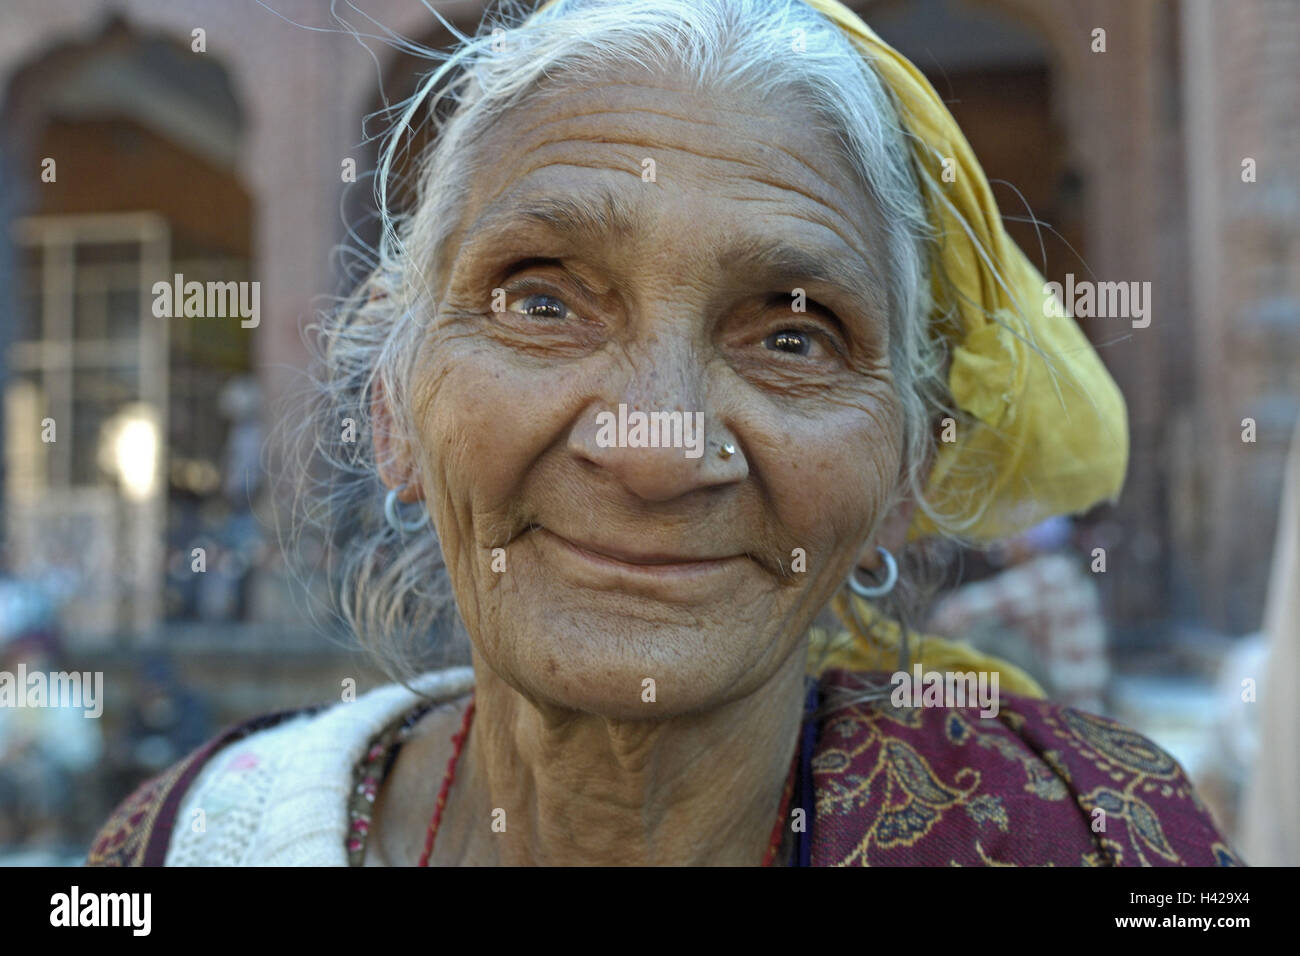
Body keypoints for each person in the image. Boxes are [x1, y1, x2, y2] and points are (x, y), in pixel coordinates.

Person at [87, 0, 1238, 866]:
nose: (654, 447)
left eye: (794, 337)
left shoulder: (1098, 842)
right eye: (541, 302)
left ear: (908, 465)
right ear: (392, 406)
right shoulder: (190, 840)